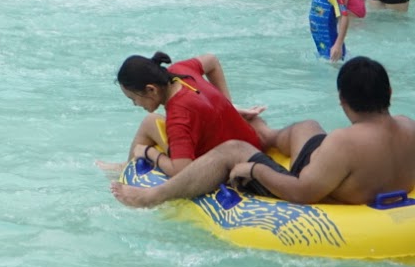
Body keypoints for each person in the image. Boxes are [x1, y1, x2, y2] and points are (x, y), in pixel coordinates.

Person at [111, 58, 415, 208]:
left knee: (233, 147)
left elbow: (302, 192)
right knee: (307, 126)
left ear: (342, 101)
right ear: (388, 91)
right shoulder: (408, 126)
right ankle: (266, 135)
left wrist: (254, 167)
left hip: (323, 190)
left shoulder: (344, 142)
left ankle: (153, 197)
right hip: (341, 174)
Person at [115, 52, 263, 178]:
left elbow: (181, 171)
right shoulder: (180, 71)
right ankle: (125, 165)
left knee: (149, 123)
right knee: (151, 121)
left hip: (233, 166)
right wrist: (227, 105)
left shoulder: (178, 117)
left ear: (151, 90)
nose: (135, 104)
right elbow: (212, 61)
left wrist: (149, 152)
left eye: (133, 99)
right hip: (253, 146)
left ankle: (126, 169)